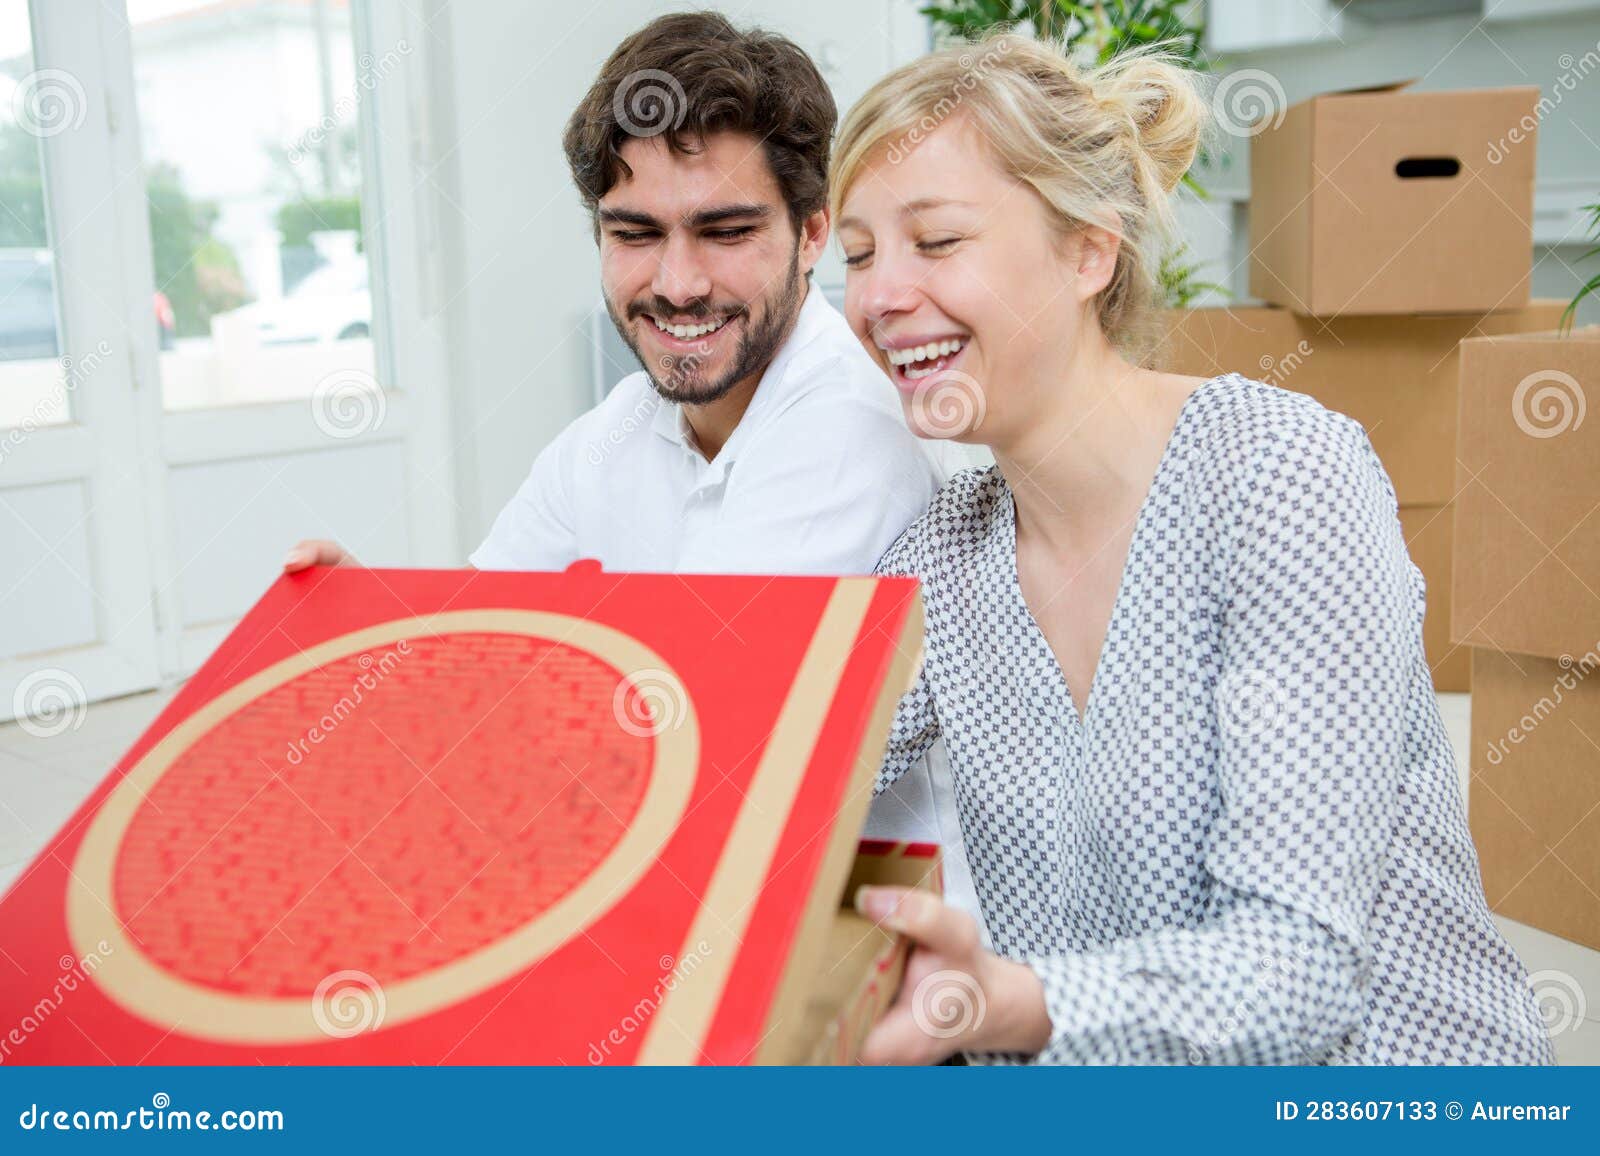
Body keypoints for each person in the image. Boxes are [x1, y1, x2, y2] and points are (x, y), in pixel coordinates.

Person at [830, 34, 1554, 1065]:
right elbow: (783, 781)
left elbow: (1297, 972)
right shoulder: (940, 561)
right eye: (859, 255)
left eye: (935, 241)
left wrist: (1011, 1005)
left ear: (1089, 251)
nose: (877, 298)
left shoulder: (1278, 476)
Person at [284, 12, 975, 902]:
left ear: (812, 235)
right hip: (693, 884)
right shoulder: (620, 427)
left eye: (725, 231)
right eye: (636, 234)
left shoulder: (849, 429)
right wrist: (377, 633)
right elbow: (483, 639)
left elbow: (685, 760)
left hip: (843, 921)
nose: (677, 285)